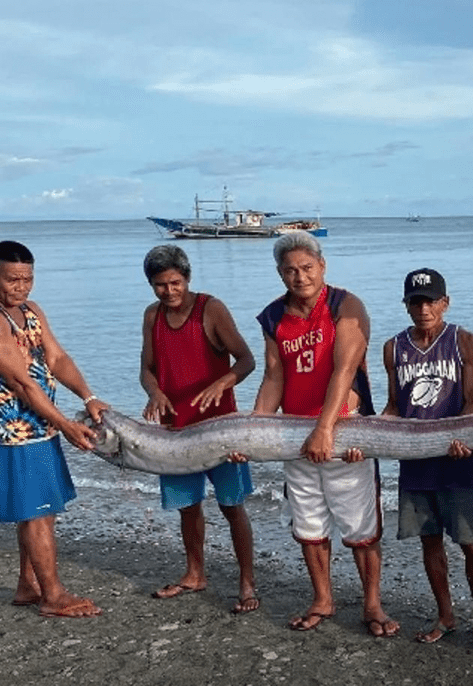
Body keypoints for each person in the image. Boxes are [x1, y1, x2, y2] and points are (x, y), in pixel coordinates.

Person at [239, 232, 399, 637]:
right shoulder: (274, 316)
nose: (300, 277)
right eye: (290, 270)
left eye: (307, 268)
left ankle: (372, 605)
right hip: (294, 433)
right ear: (280, 274)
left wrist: (325, 428)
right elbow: (275, 375)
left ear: (322, 266)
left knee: (361, 527)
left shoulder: (346, 305)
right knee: (308, 524)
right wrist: (255, 429)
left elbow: (346, 369)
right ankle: (322, 600)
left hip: (346, 430)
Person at [0, 240, 107, 619]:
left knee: (42, 510)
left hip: (40, 427)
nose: (21, 287)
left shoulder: (31, 311)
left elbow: (56, 357)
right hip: (14, 434)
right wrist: (67, 425)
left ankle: (29, 584)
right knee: (37, 514)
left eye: (27, 279)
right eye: (12, 280)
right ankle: (53, 596)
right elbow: (22, 383)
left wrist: (88, 396)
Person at [381, 268, 473, 651]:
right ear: (406, 305)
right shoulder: (393, 348)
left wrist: (463, 436)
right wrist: (364, 435)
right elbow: (394, 407)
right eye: (416, 301)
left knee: (471, 544)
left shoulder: (465, 341)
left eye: (431, 300)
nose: (424, 308)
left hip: (457, 461)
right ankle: (446, 615)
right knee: (429, 543)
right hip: (415, 462)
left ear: (445, 302)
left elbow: (472, 402)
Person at [139, 245, 259, 614]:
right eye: (161, 285)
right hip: (174, 431)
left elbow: (247, 359)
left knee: (232, 505)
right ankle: (195, 573)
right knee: (187, 507)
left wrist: (222, 384)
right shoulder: (152, 316)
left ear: (187, 279)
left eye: (175, 283)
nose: (169, 292)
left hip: (220, 430)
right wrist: (155, 391)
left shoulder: (211, 309)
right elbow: (146, 368)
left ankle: (247, 582)